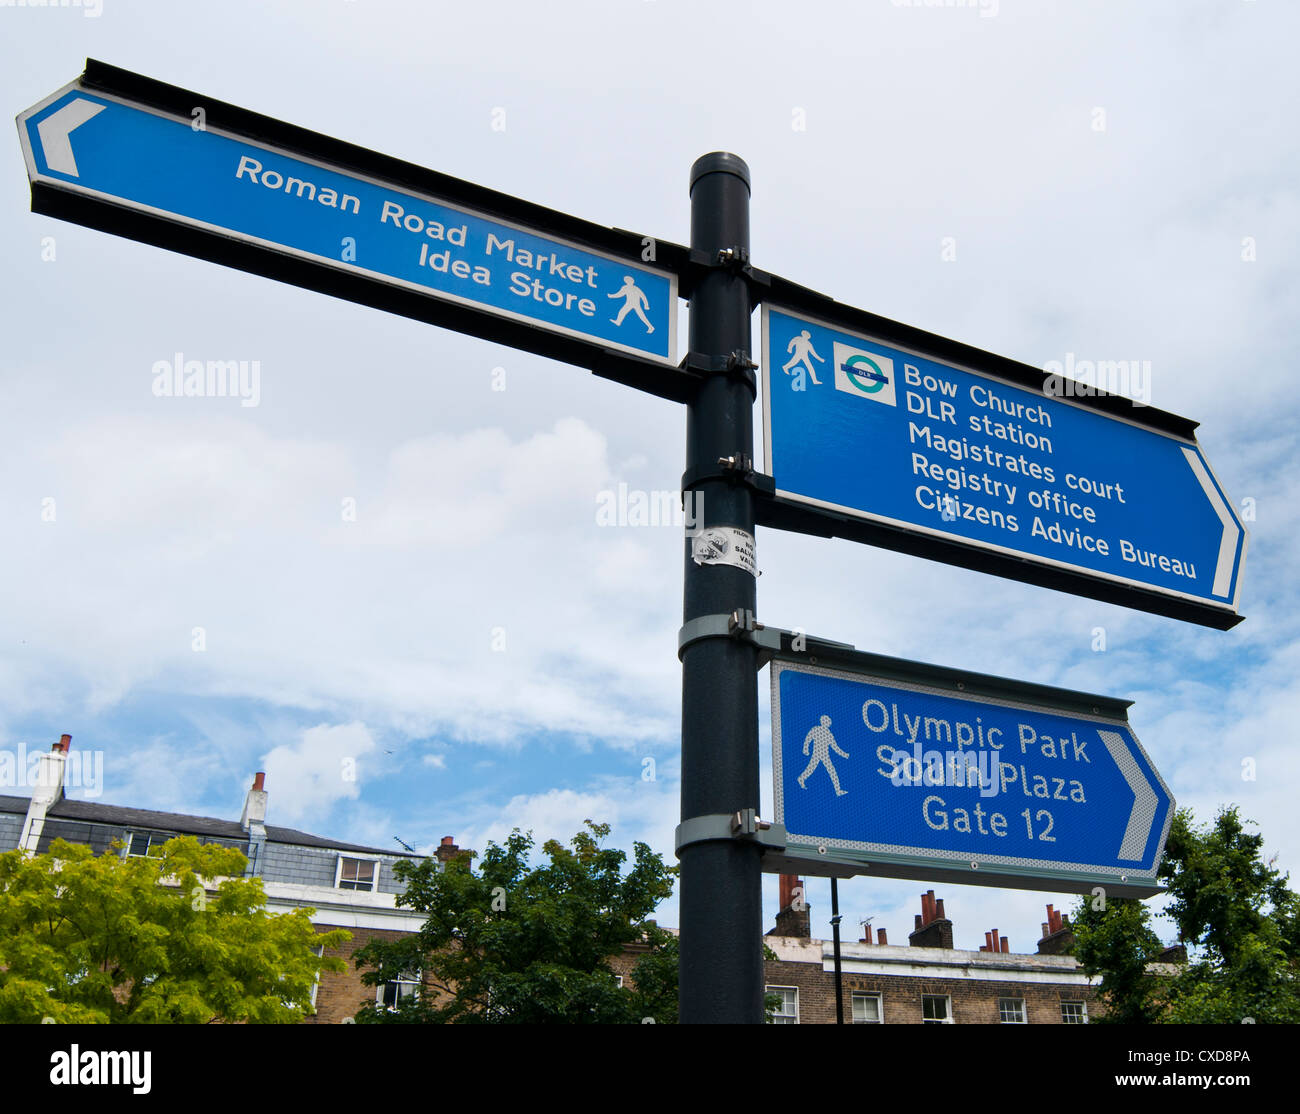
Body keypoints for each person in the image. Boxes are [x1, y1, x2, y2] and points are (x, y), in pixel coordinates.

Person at [797, 715, 849, 795]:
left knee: (830, 770)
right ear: (824, 721)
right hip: (817, 753)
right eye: (827, 721)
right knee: (813, 768)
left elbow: (835, 747)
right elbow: (808, 738)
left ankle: (838, 790)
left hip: (825, 755)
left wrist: (844, 754)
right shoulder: (816, 729)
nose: (829, 723)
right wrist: (805, 748)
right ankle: (801, 778)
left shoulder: (829, 733)